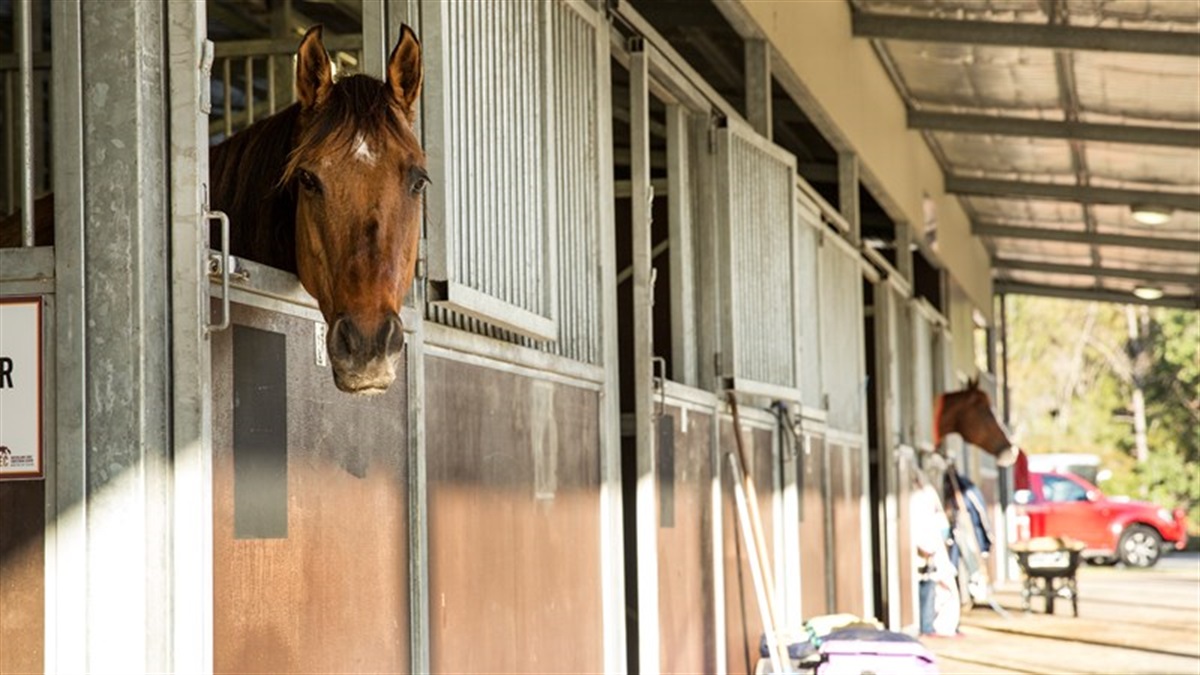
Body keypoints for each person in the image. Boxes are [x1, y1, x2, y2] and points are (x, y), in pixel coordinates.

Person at [912, 470, 961, 637]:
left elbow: (940, 525)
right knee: (926, 587)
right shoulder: (918, 498)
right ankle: (925, 626)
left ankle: (927, 626)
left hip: (931, 549)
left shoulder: (924, 496)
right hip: (923, 549)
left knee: (930, 586)